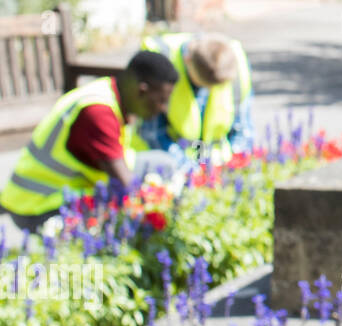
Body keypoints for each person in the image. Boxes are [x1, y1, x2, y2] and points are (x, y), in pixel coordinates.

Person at [0, 51, 180, 230]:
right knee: (116, 225)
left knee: (165, 164)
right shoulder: (98, 112)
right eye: (161, 101)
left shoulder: (112, 91)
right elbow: (126, 187)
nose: (164, 109)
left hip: (73, 187)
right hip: (39, 206)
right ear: (142, 91)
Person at [132, 31, 254, 167]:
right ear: (187, 60)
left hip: (216, 166)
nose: (209, 90)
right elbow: (152, 134)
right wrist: (189, 169)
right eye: (202, 85)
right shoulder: (159, 60)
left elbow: (242, 129)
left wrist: (234, 164)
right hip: (167, 165)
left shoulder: (234, 60)